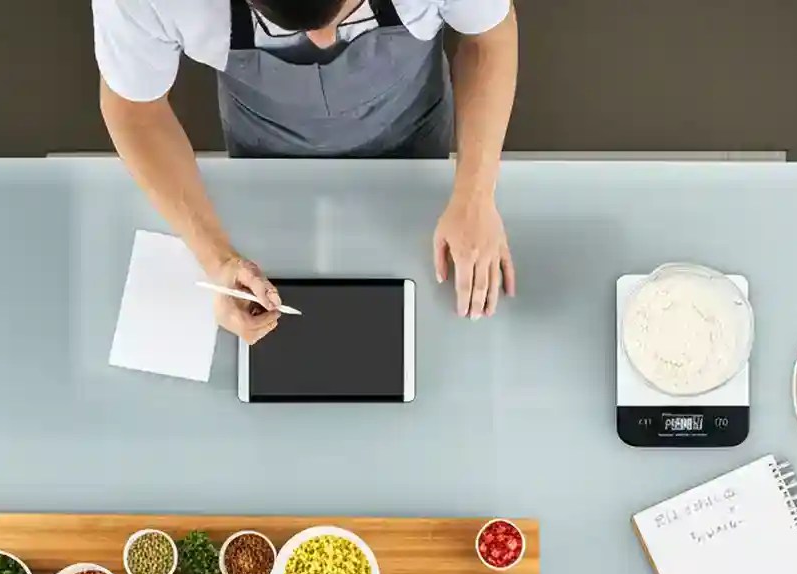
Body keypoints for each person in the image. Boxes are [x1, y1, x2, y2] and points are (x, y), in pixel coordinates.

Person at [93, 0, 519, 343]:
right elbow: (135, 110)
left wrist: (475, 195)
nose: (322, 40)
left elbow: (489, 39)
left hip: (412, 136)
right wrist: (218, 259)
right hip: (265, 158)